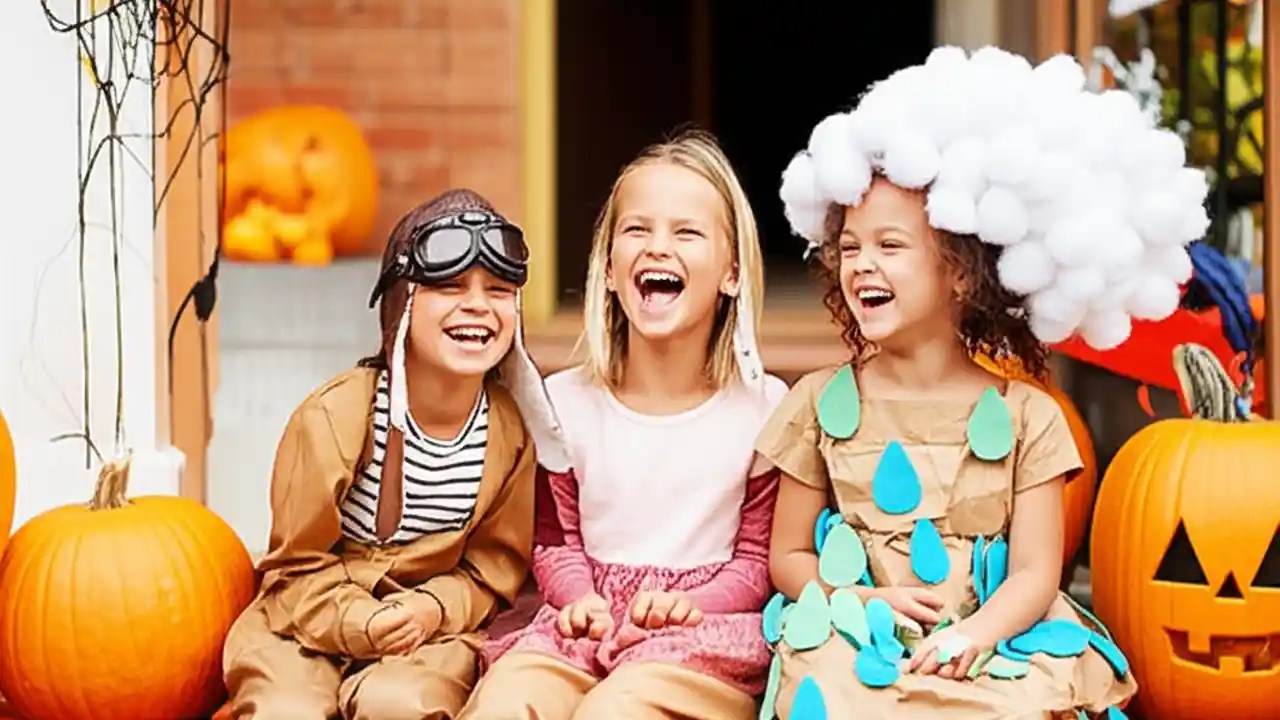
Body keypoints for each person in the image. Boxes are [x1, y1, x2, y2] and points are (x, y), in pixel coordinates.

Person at [756, 46, 1208, 718]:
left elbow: (1035, 571)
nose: (862, 265)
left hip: (993, 638)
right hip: (860, 634)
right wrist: (858, 601)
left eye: (891, 246)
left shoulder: (1028, 416)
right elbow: (787, 555)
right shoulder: (819, 402)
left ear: (961, 273)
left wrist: (976, 633)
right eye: (849, 247)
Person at [459, 129, 788, 720]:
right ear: (609, 269)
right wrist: (579, 598)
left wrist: (690, 604)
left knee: (618, 711)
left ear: (732, 273)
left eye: (686, 232)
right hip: (582, 626)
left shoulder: (763, 408)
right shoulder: (563, 403)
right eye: (637, 230)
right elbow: (555, 541)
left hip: (699, 638)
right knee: (508, 699)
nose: (658, 247)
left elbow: (757, 560)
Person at [221, 189, 571, 720]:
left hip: (430, 629)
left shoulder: (509, 434)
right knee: (284, 709)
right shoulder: (333, 419)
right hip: (308, 618)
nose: (477, 304)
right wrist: (358, 620)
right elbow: (294, 569)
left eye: (498, 290)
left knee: (400, 705)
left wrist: (433, 607)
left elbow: (492, 569)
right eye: (450, 286)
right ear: (400, 305)